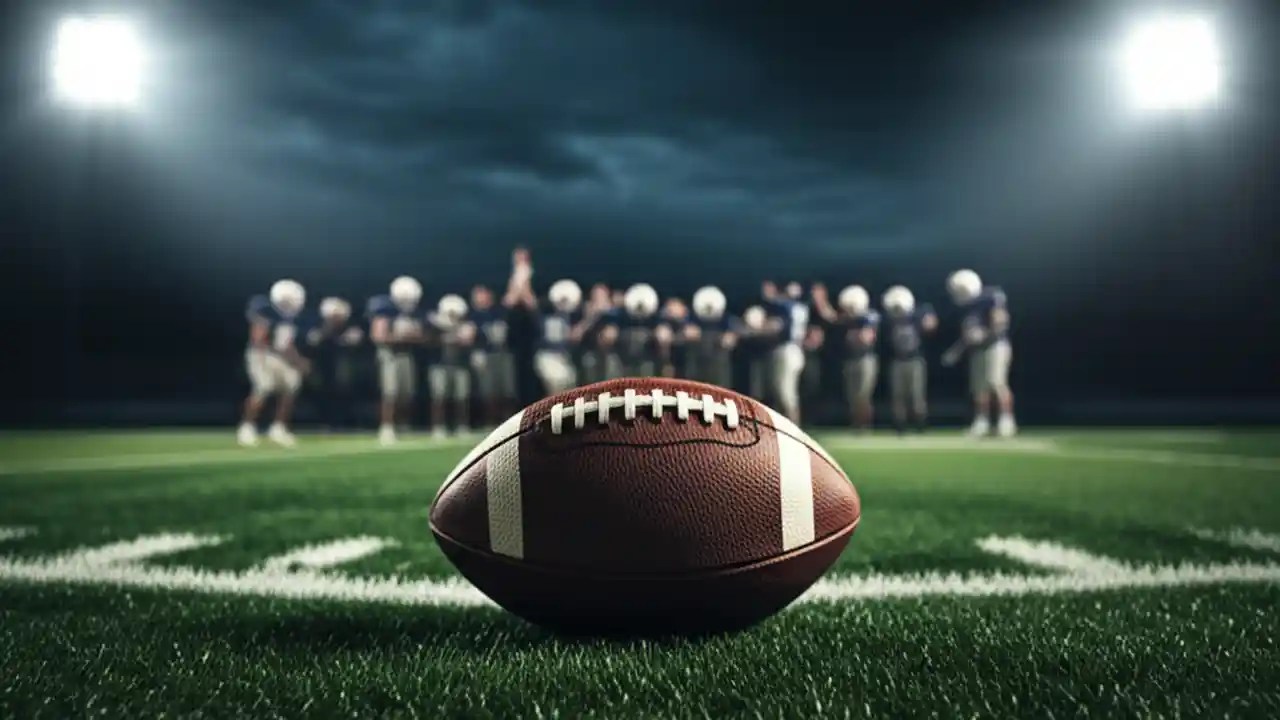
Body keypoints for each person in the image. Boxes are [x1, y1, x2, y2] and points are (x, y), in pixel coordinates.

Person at [942, 269, 1017, 438]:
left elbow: (1001, 321)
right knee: (979, 389)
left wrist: (986, 333)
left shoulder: (991, 296)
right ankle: (982, 422)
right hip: (977, 350)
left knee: (997, 383)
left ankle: (1006, 420)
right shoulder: (966, 307)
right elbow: (968, 333)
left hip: (995, 345)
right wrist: (957, 350)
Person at [238, 279, 310, 447]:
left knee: (291, 387)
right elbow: (258, 339)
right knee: (263, 388)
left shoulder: (292, 318)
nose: (290, 304)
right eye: (287, 300)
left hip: (280, 355)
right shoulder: (264, 308)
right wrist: (285, 355)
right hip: (261, 353)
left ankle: (278, 428)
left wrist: (298, 360)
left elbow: (287, 344)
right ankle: (247, 427)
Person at [367, 275, 428, 446]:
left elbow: (422, 336)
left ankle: (401, 425)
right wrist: (399, 337)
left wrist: (412, 337)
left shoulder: (413, 313)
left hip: (405, 354)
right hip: (389, 354)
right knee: (390, 391)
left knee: (406, 392)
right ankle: (386, 427)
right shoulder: (385, 309)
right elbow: (378, 336)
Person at [812, 283, 879, 431]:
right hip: (851, 359)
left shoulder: (869, 317)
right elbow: (830, 317)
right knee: (852, 395)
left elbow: (866, 338)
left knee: (863, 394)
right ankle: (856, 425)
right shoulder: (848, 319)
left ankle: (866, 426)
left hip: (865, 359)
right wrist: (821, 301)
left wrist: (855, 334)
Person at [882, 285, 936, 434]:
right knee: (898, 394)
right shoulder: (890, 319)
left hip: (915, 358)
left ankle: (920, 423)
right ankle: (900, 424)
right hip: (897, 359)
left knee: (917, 393)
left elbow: (930, 325)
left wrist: (928, 322)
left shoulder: (918, 314)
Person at [307, 297, 363, 431]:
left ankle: (344, 422)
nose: (335, 319)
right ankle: (325, 421)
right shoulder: (318, 328)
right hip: (323, 368)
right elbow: (312, 342)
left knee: (344, 392)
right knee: (323, 393)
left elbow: (355, 342)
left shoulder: (351, 328)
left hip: (344, 366)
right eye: (332, 316)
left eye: (338, 316)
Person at [468, 284, 517, 427]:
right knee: (489, 391)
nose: (479, 298)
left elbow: (511, 299)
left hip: (503, 353)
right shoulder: (473, 316)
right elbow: (469, 336)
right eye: (477, 296)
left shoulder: (499, 311)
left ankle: (509, 423)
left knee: (507, 390)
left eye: (482, 295)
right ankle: (491, 423)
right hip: (485, 355)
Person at [426, 294, 475, 437]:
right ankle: (438, 426)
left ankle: (462, 426)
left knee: (462, 397)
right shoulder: (435, 325)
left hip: (460, 365)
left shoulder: (466, 325)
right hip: (439, 365)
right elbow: (429, 341)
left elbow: (468, 341)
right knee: (439, 398)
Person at [761, 281, 810, 424]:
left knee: (785, 392)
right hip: (796, 350)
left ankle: (792, 426)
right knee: (784, 391)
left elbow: (777, 323)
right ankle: (789, 425)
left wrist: (771, 295)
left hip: (787, 350)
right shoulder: (801, 308)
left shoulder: (787, 307)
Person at [685, 286, 737, 387]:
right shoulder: (692, 317)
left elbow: (733, 332)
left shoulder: (727, 319)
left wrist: (730, 336)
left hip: (718, 359)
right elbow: (686, 328)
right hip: (697, 359)